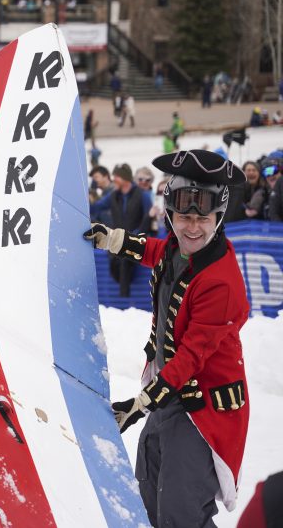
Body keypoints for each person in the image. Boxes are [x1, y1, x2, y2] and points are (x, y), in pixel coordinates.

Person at [84, 149, 249, 527]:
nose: (192, 227)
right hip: (169, 400)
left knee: (181, 511)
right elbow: (160, 251)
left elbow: (190, 358)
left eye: (202, 218)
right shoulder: (181, 248)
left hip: (203, 410)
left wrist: (139, 405)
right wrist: (114, 240)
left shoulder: (221, 281)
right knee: (150, 493)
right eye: (183, 216)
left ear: (218, 217)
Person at [89, 164, 152, 297]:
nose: (113, 179)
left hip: (137, 240)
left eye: (116, 176)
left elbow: (148, 216)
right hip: (117, 241)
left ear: (125, 179)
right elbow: (96, 208)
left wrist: (137, 234)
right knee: (115, 263)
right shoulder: (113, 196)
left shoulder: (142, 195)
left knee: (125, 261)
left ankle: (125, 299)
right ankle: (122, 299)